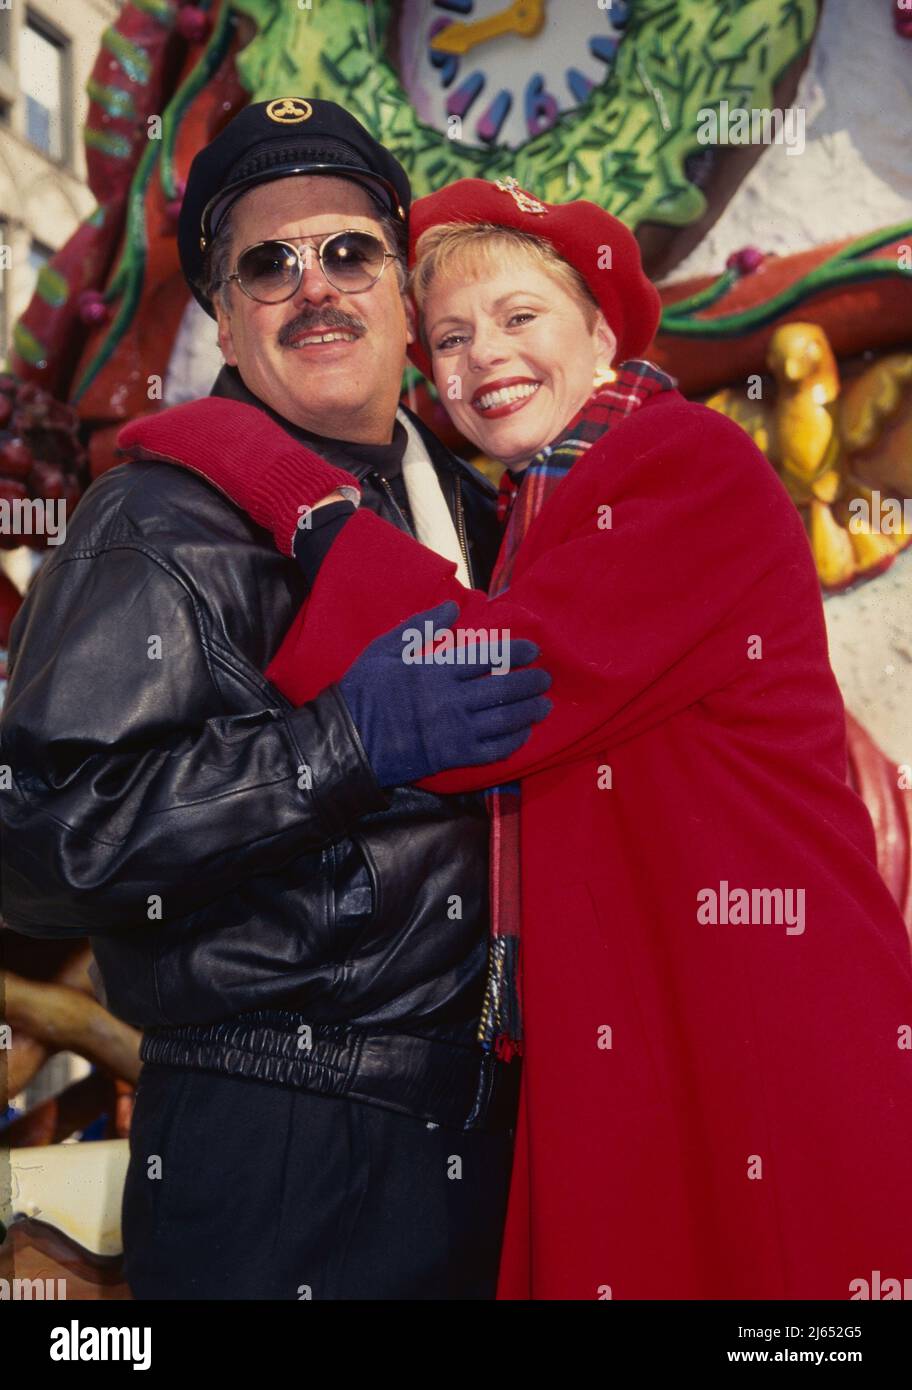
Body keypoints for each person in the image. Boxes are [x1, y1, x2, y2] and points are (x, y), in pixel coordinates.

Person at [160, 177, 912, 1300]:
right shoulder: (530, 516)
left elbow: (489, 691)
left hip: (757, 1017)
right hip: (647, 1017)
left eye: (520, 317)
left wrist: (291, 491)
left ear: (604, 332)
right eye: (451, 338)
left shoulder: (681, 464)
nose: (480, 359)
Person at [0, 109, 554, 1300]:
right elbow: (38, 844)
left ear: (406, 294)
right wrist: (338, 746)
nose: (316, 288)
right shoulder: (153, 521)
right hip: (279, 1145)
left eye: (350, 252)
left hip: (500, 1146)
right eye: (268, 263)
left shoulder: (499, 514)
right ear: (223, 317)